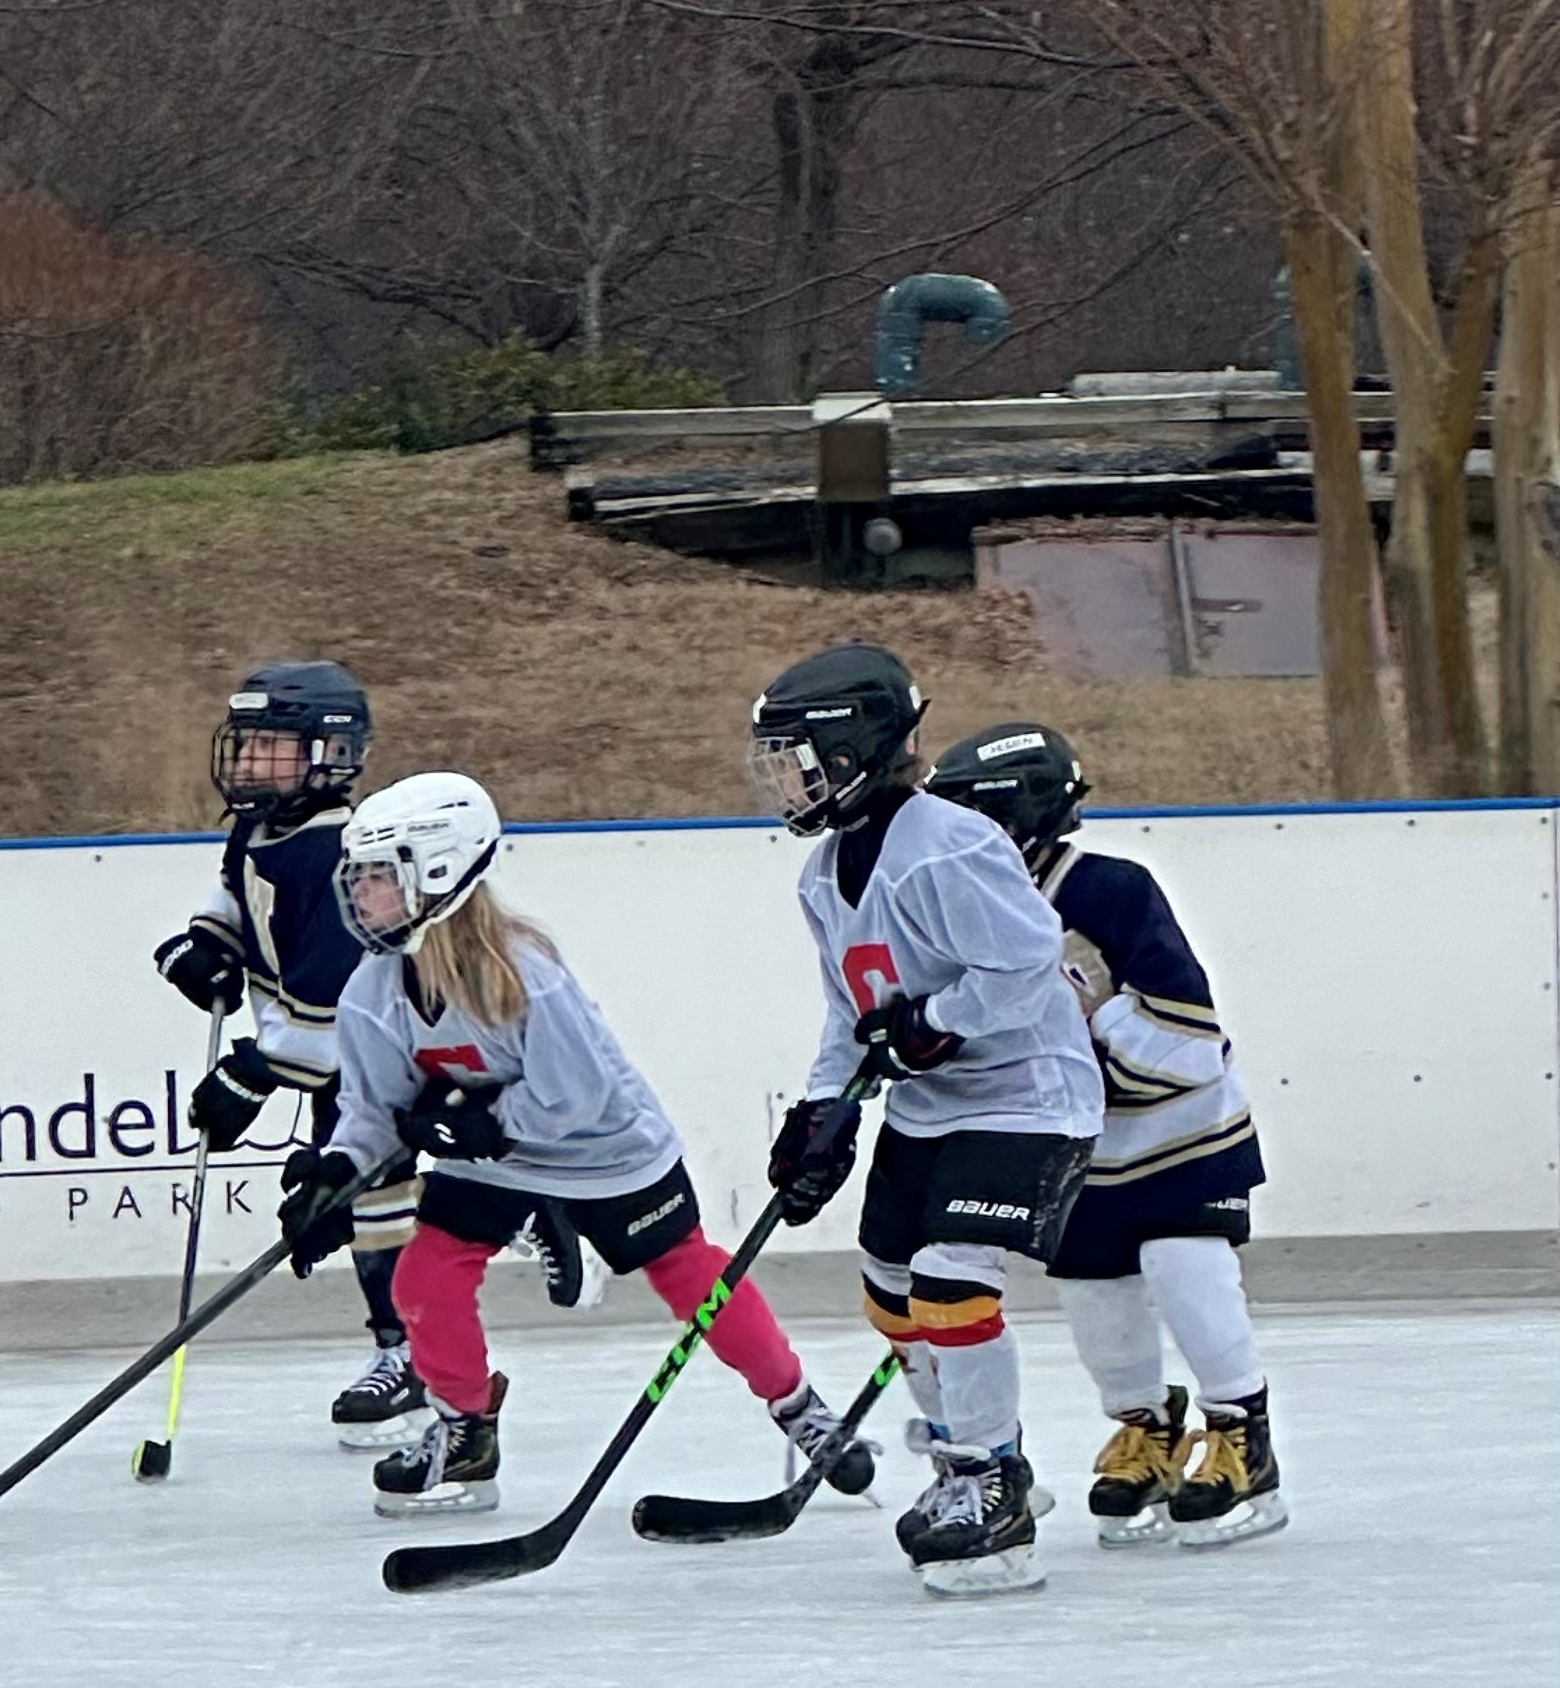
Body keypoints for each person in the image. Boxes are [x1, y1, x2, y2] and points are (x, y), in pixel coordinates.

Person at [276, 771, 878, 1518]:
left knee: (689, 1275)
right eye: (358, 877)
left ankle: (800, 1408)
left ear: (436, 874)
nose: (359, 896)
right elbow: (375, 1108)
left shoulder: (525, 976)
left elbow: (578, 1097)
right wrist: (337, 1174)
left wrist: (485, 1121)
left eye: (377, 877)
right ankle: (465, 1429)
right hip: (491, 1159)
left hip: (604, 1154)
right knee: (423, 1276)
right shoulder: (373, 991)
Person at [750, 645, 1103, 1596]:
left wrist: (935, 1025)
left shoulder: (951, 841)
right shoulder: (824, 874)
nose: (786, 780)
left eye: (799, 758)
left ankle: (991, 1478)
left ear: (859, 748)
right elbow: (851, 1011)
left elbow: (1027, 964)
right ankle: (968, 1451)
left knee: (950, 1281)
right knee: (888, 1287)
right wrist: (823, 1110)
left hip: (1028, 1094)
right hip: (932, 1106)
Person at [926, 722, 1285, 1549]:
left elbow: (1195, 1049)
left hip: (1182, 1137)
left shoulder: (1112, 890)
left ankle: (1242, 1434)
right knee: (1094, 1291)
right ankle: (1146, 1430)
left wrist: (1104, 1004)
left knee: (1183, 1264)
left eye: (973, 819)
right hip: (1078, 1147)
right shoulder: (961, 907)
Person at [154, 661, 422, 1447]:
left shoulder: (339, 852)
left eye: (270, 748)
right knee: (358, 1200)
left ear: (328, 754)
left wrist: (252, 1073)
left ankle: (407, 1355)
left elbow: (335, 1012)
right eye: (245, 745)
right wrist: (209, 940)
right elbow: (238, 892)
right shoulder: (262, 827)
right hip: (325, 1057)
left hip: (373, 1062)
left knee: (372, 1201)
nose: (247, 764)